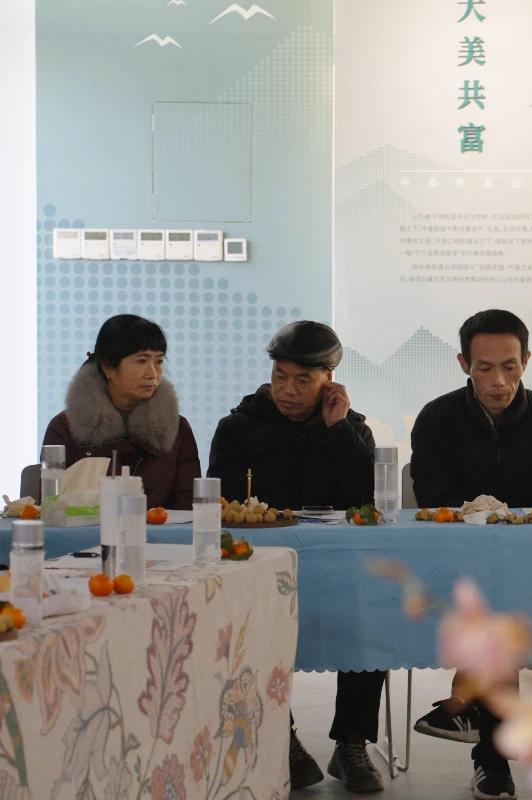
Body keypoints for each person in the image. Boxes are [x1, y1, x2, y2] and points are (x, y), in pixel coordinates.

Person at [409, 309, 532, 800]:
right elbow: (435, 503)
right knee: (493, 603)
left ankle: (485, 723)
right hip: (459, 564)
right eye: (484, 368)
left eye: (510, 366)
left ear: (526, 360)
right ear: (463, 364)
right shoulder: (436, 419)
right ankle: (492, 758)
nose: (499, 381)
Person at [207, 321, 382, 794]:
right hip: (257, 567)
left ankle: (351, 743)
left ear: (329, 380)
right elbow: (222, 508)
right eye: (280, 377)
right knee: (247, 623)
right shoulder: (238, 428)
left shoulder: (351, 429)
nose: (288, 390)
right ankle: (280, 736)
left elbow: (364, 502)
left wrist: (337, 430)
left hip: (334, 566)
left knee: (371, 613)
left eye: (303, 380)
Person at [43, 314, 200, 509]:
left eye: (159, 362)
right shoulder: (65, 428)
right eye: (141, 361)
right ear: (108, 367)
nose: (153, 374)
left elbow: (189, 508)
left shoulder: (178, 428)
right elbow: (52, 508)